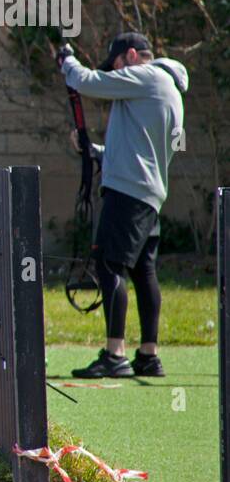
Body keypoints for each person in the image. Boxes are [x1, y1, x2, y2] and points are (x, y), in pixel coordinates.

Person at [57, 33, 188, 379]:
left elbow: (87, 80)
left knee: (108, 264)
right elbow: (139, 149)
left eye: (116, 66)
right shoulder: (167, 89)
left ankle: (115, 354)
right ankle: (148, 355)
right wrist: (96, 152)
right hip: (150, 193)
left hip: (128, 193)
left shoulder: (146, 75)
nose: (116, 75)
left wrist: (66, 62)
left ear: (131, 55)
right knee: (143, 271)